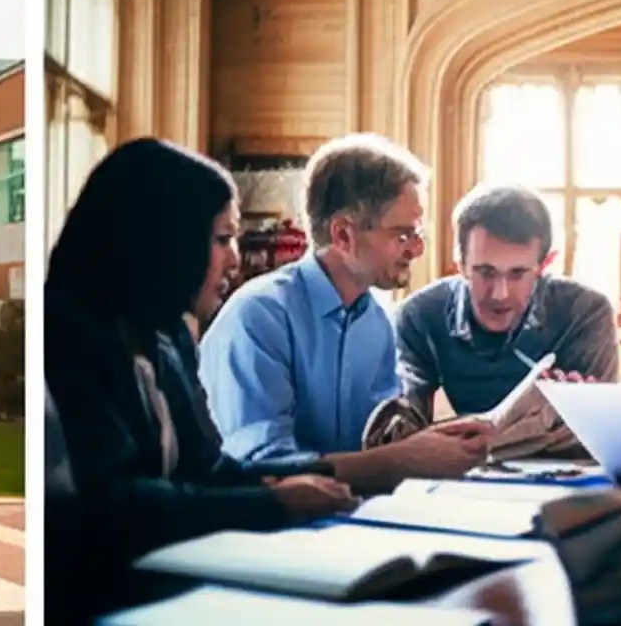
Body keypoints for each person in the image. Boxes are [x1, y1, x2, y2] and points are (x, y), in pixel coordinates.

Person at [46, 139, 358, 620]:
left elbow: (207, 468)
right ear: (161, 239)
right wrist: (271, 504)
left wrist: (320, 478)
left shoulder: (169, 333)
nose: (234, 259)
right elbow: (111, 503)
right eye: (221, 239)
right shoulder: (64, 335)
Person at [199, 133, 492, 494]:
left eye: (418, 234)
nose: (417, 249)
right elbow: (265, 471)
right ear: (343, 235)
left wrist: (445, 440)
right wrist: (406, 458)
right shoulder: (260, 317)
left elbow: (376, 444)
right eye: (403, 235)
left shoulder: (379, 320)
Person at [396, 184, 618, 421]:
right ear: (460, 263)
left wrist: (482, 433)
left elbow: (594, 429)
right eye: (485, 272)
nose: (499, 294)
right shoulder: (418, 316)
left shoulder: (586, 313)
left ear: (544, 264)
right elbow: (404, 423)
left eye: (518, 273)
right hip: (465, 456)